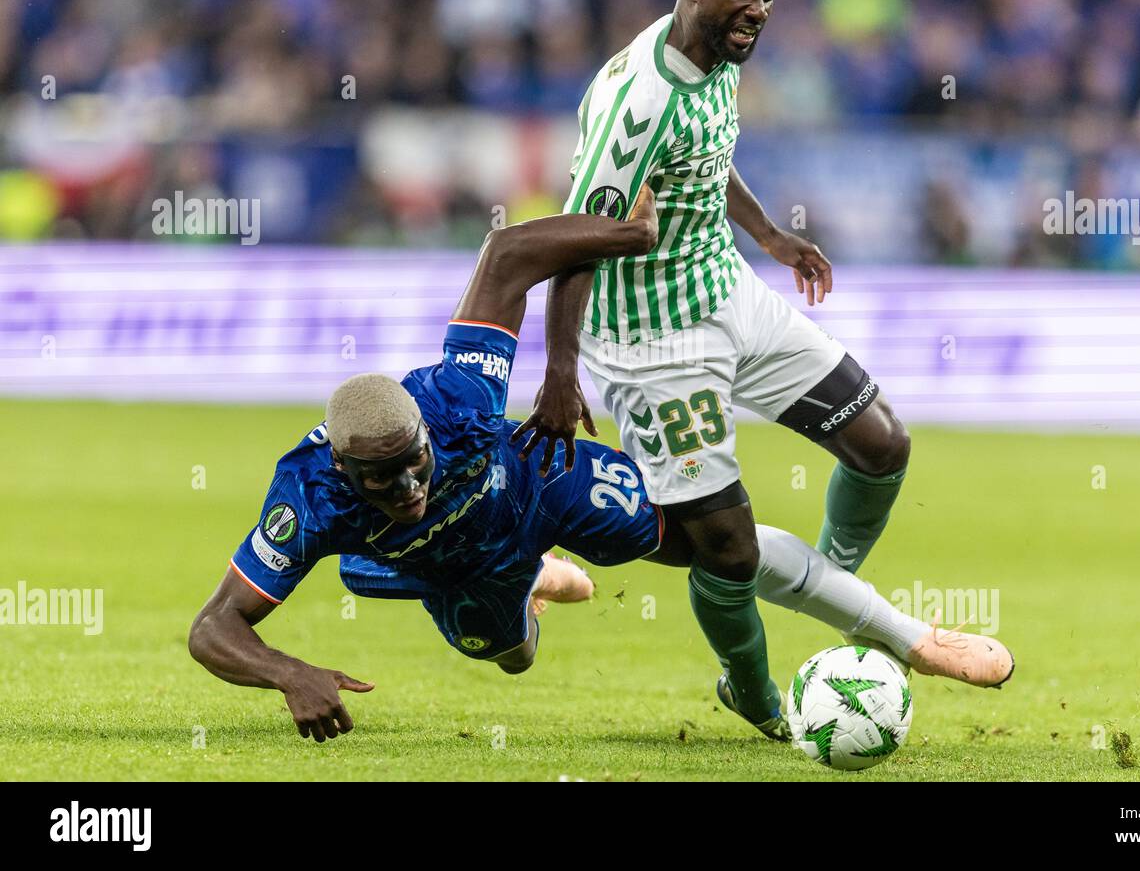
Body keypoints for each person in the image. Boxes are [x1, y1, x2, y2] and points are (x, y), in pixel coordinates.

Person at [189, 185, 1013, 743]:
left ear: (425, 437)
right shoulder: (306, 497)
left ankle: (911, 638)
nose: (408, 486)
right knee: (513, 657)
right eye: (383, 481)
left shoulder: (453, 399)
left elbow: (509, 253)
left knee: (724, 546)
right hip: (455, 568)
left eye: (415, 465)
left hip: (541, 476)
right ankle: (531, 582)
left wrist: (568, 352)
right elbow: (213, 628)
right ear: (342, 469)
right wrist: (290, 672)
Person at [516, 0, 919, 729]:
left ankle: (820, 591)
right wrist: (560, 374)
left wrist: (767, 232)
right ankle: (757, 694)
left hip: (728, 293)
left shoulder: (720, 52)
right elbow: (575, 238)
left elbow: (706, 155)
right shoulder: (638, 103)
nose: (760, 9)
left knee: (881, 442)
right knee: (727, 548)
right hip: (651, 343)